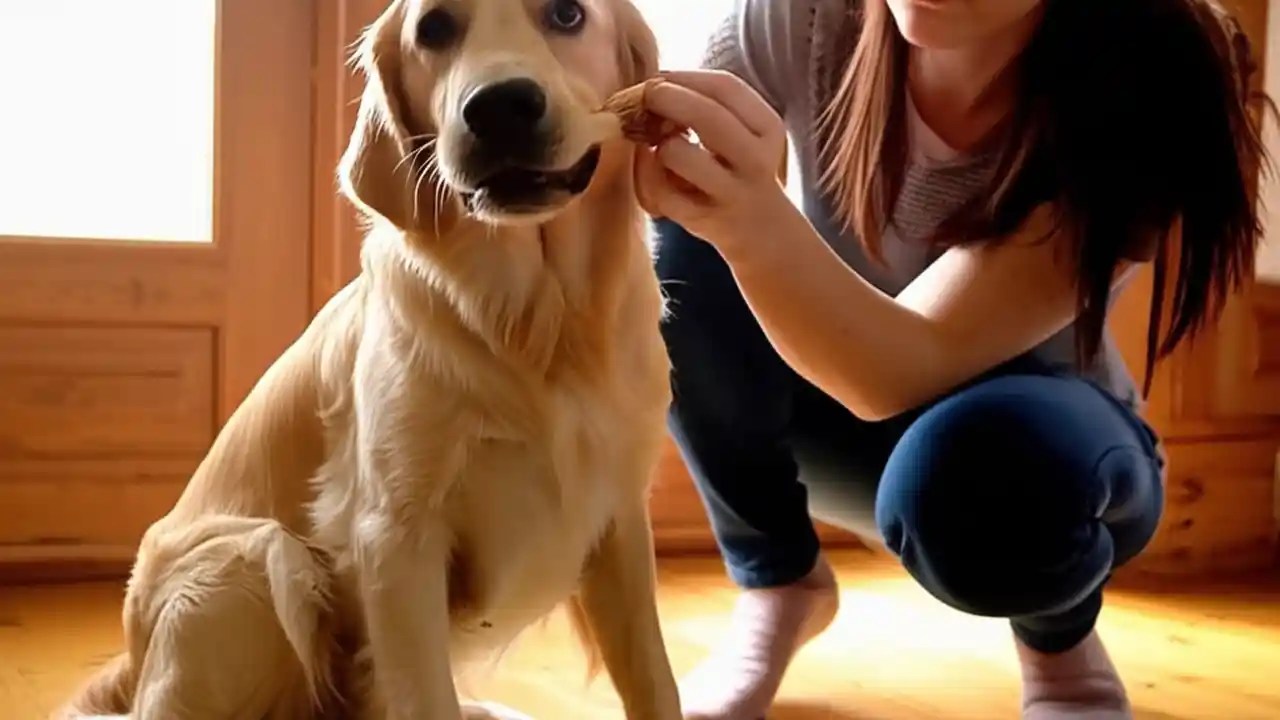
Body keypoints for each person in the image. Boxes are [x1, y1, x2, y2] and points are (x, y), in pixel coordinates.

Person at [632, 0, 1270, 718]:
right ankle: (777, 581)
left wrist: (749, 215)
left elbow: (907, 362)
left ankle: (1060, 652)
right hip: (838, 429)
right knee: (669, 252)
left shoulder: (1147, 78)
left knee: (983, 467)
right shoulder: (804, 19)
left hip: (1052, 462)